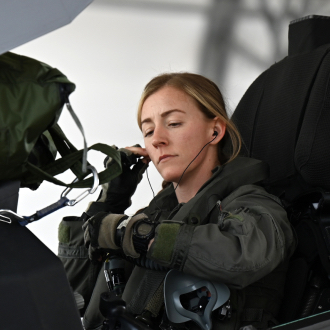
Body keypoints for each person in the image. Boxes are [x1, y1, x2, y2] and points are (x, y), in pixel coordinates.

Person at [81, 72, 296, 330]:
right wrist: (108, 204)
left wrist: (131, 233)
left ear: (214, 131)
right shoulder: (154, 217)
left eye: (173, 123)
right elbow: (71, 297)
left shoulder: (253, 204)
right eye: (148, 130)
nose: (157, 139)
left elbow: (242, 256)